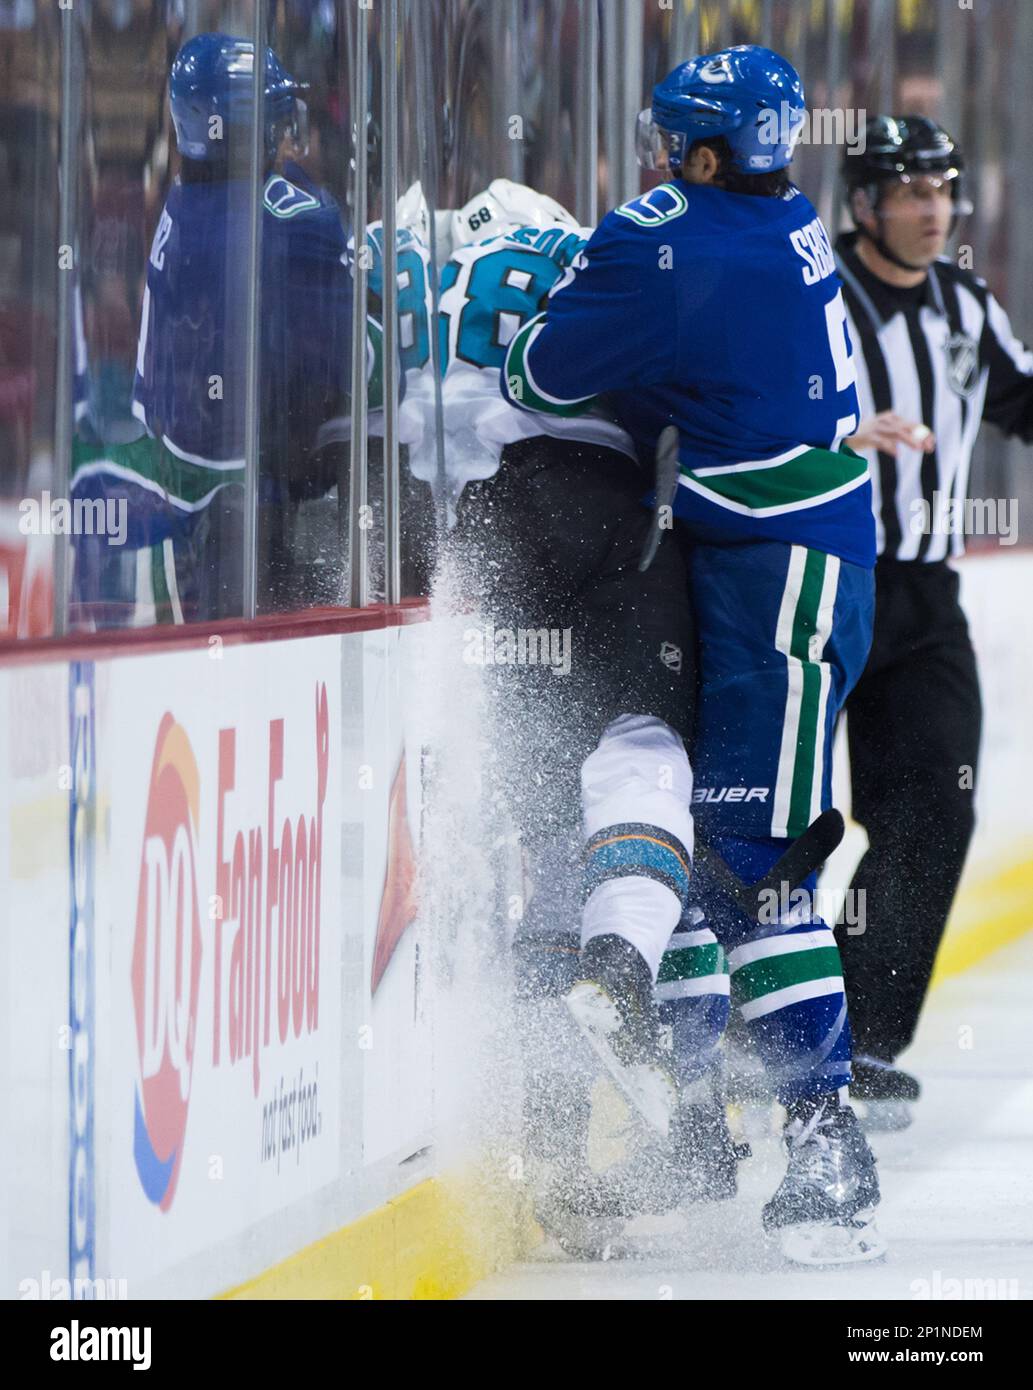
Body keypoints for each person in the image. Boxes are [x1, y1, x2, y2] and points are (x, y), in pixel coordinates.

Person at [501, 45, 884, 1264]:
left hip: (777, 578)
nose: (664, 156)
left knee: (756, 858)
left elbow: (541, 366)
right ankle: (705, 1129)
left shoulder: (672, 234)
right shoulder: (775, 219)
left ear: (707, 152)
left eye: (679, 140)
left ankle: (828, 1135)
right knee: (711, 853)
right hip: (774, 561)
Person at [834, 115, 1033, 1125]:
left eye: (940, 191)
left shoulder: (962, 304)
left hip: (921, 599)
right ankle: (741, 1021)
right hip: (811, 585)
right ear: (863, 204)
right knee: (774, 818)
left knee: (932, 813)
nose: (929, 210)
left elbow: (1020, 401)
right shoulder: (813, 295)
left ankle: (858, 1038)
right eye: (908, 192)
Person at [130, 32, 353, 621]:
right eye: (276, 118)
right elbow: (346, 369)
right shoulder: (292, 219)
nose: (287, 135)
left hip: (177, 484)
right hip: (242, 501)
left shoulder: (185, 204)